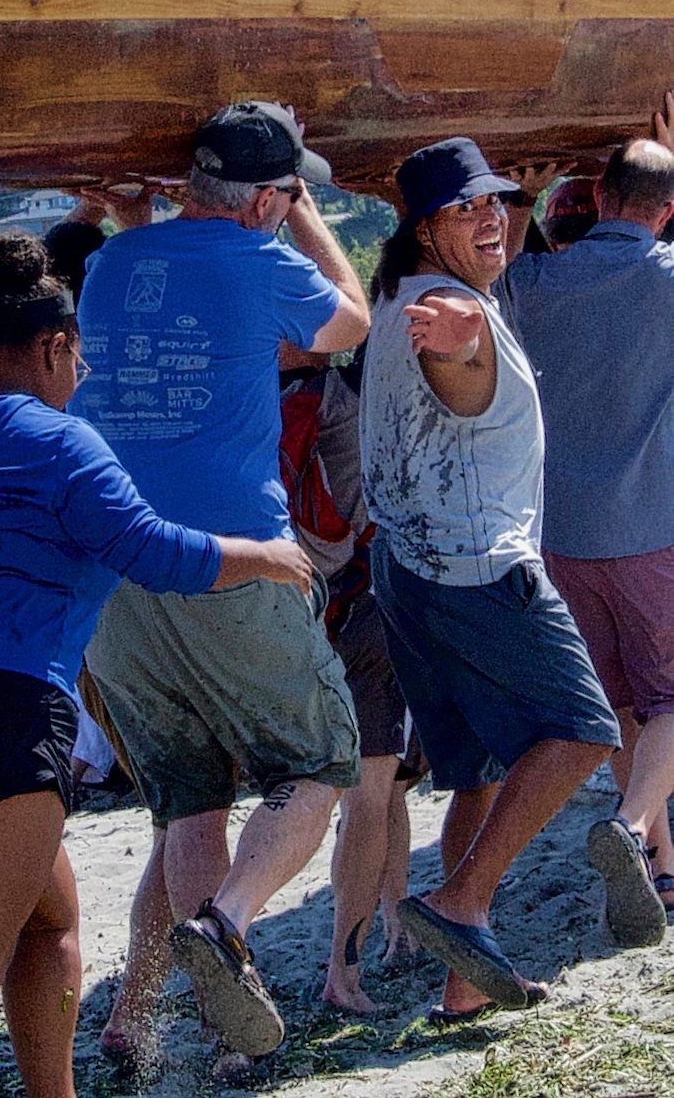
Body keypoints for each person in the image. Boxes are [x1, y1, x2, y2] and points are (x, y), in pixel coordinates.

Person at [0, 187, 312, 1098]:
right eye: (79, 357)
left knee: (50, 919)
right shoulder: (65, 444)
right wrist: (265, 555)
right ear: (55, 347)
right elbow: (154, 553)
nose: (83, 376)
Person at [64, 100, 370, 1059]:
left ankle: (211, 1024)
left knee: (188, 798)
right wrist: (308, 221)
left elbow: (166, 279)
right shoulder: (259, 257)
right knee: (316, 763)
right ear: (268, 200)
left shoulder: (114, 264)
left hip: (114, 577)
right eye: (286, 195)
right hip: (235, 559)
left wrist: (139, 219)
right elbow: (349, 322)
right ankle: (228, 922)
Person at [360, 136, 621, 1022]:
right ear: (424, 226)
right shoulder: (446, 313)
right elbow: (462, 357)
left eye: (497, 203)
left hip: (403, 570)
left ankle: (461, 981)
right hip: (480, 567)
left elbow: (468, 307)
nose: (489, 218)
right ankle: (458, 905)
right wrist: (463, 340)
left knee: (473, 777)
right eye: (465, 208)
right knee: (581, 731)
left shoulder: (395, 290)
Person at [501, 100, 674, 943]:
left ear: (599, 198)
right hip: (649, 525)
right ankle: (635, 823)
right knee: (672, 692)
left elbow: (492, 272)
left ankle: (660, 864)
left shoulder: (536, 282)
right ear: (664, 211)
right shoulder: (669, 275)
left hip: (558, 531)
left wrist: (523, 203)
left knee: (614, 703)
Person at [277, 342, 423, 1013]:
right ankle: (345, 969)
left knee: (380, 783)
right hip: (364, 604)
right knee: (370, 790)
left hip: (286, 609)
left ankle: (399, 928)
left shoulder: (245, 401)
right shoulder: (352, 399)